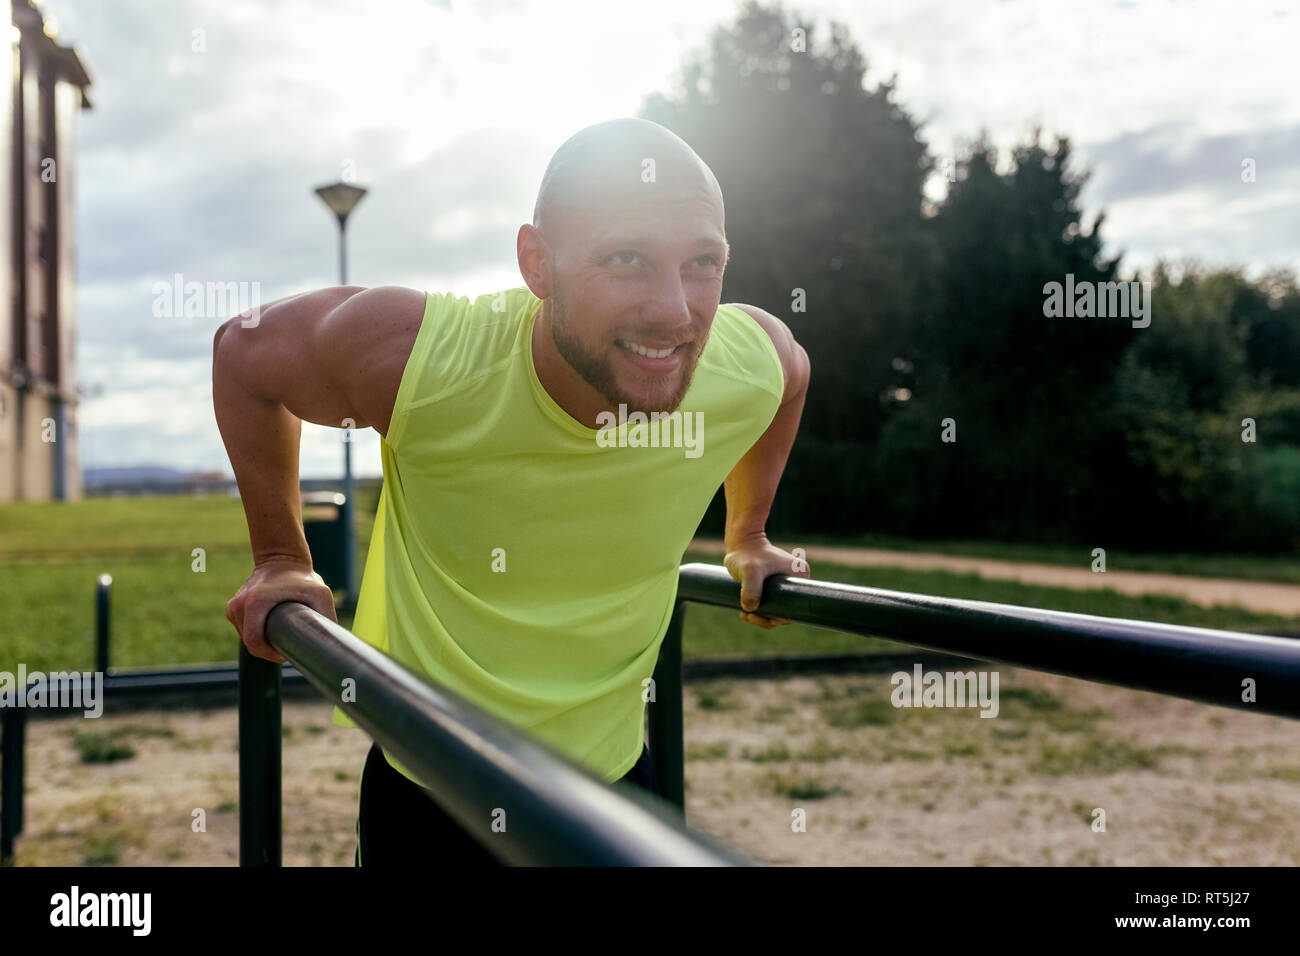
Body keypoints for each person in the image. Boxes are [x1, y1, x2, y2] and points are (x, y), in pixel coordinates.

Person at [214, 117, 811, 866]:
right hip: (430, 792)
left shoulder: (739, 365)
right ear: (537, 263)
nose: (675, 310)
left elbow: (791, 377)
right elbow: (244, 353)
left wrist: (747, 534)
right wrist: (280, 556)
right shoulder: (425, 362)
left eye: (702, 262)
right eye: (627, 259)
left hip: (617, 793)